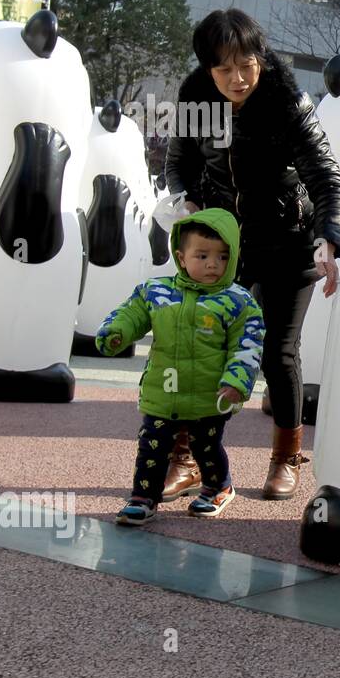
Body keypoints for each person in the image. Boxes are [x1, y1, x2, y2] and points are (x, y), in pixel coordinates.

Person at [165, 9, 340, 500]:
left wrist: (328, 235)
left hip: (289, 240)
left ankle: (286, 457)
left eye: (247, 64)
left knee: (277, 352)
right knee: (203, 347)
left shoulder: (287, 99)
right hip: (225, 244)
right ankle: (187, 459)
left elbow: (325, 174)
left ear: (260, 59)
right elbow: (179, 161)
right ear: (208, 69)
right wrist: (186, 199)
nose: (238, 78)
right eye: (225, 69)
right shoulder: (195, 96)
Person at [98, 210, 265, 524]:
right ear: (181, 256)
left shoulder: (238, 301)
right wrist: (116, 333)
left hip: (210, 394)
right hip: (164, 389)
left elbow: (248, 344)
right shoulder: (157, 291)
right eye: (202, 255)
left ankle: (218, 486)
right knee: (153, 446)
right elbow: (132, 313)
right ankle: (143, 497)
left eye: (223, 257)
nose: (213, 264)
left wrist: (237, 381)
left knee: (206, 446)